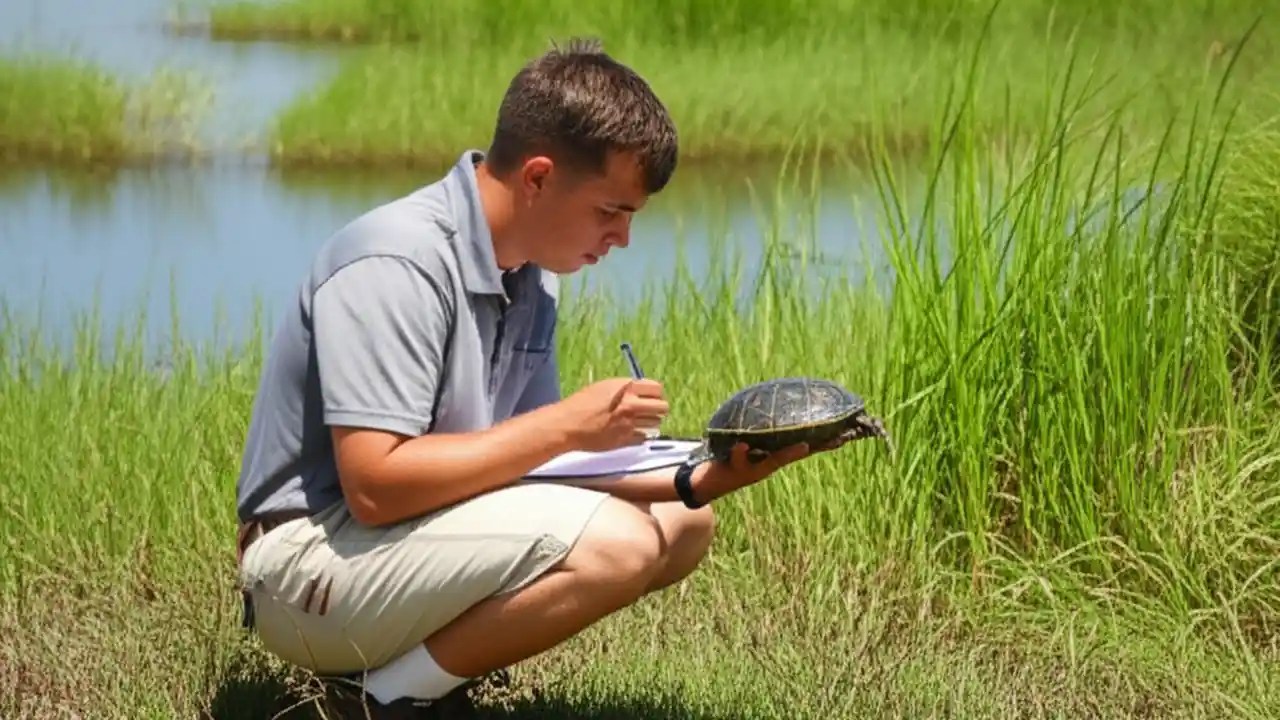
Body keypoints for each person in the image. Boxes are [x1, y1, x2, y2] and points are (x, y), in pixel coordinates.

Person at [233, 37, 840, 717]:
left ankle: (410, 682)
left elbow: (541, 469)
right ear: (539, 178)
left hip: (390, 545)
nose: (621, 239)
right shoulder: (395, 261)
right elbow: (374, 486)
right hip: (306, 568)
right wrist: (566, 425)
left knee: (682, 524)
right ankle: (383, 699)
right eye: (610, 212)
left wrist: (702, 477)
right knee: (619, 544)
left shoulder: (529, 276)